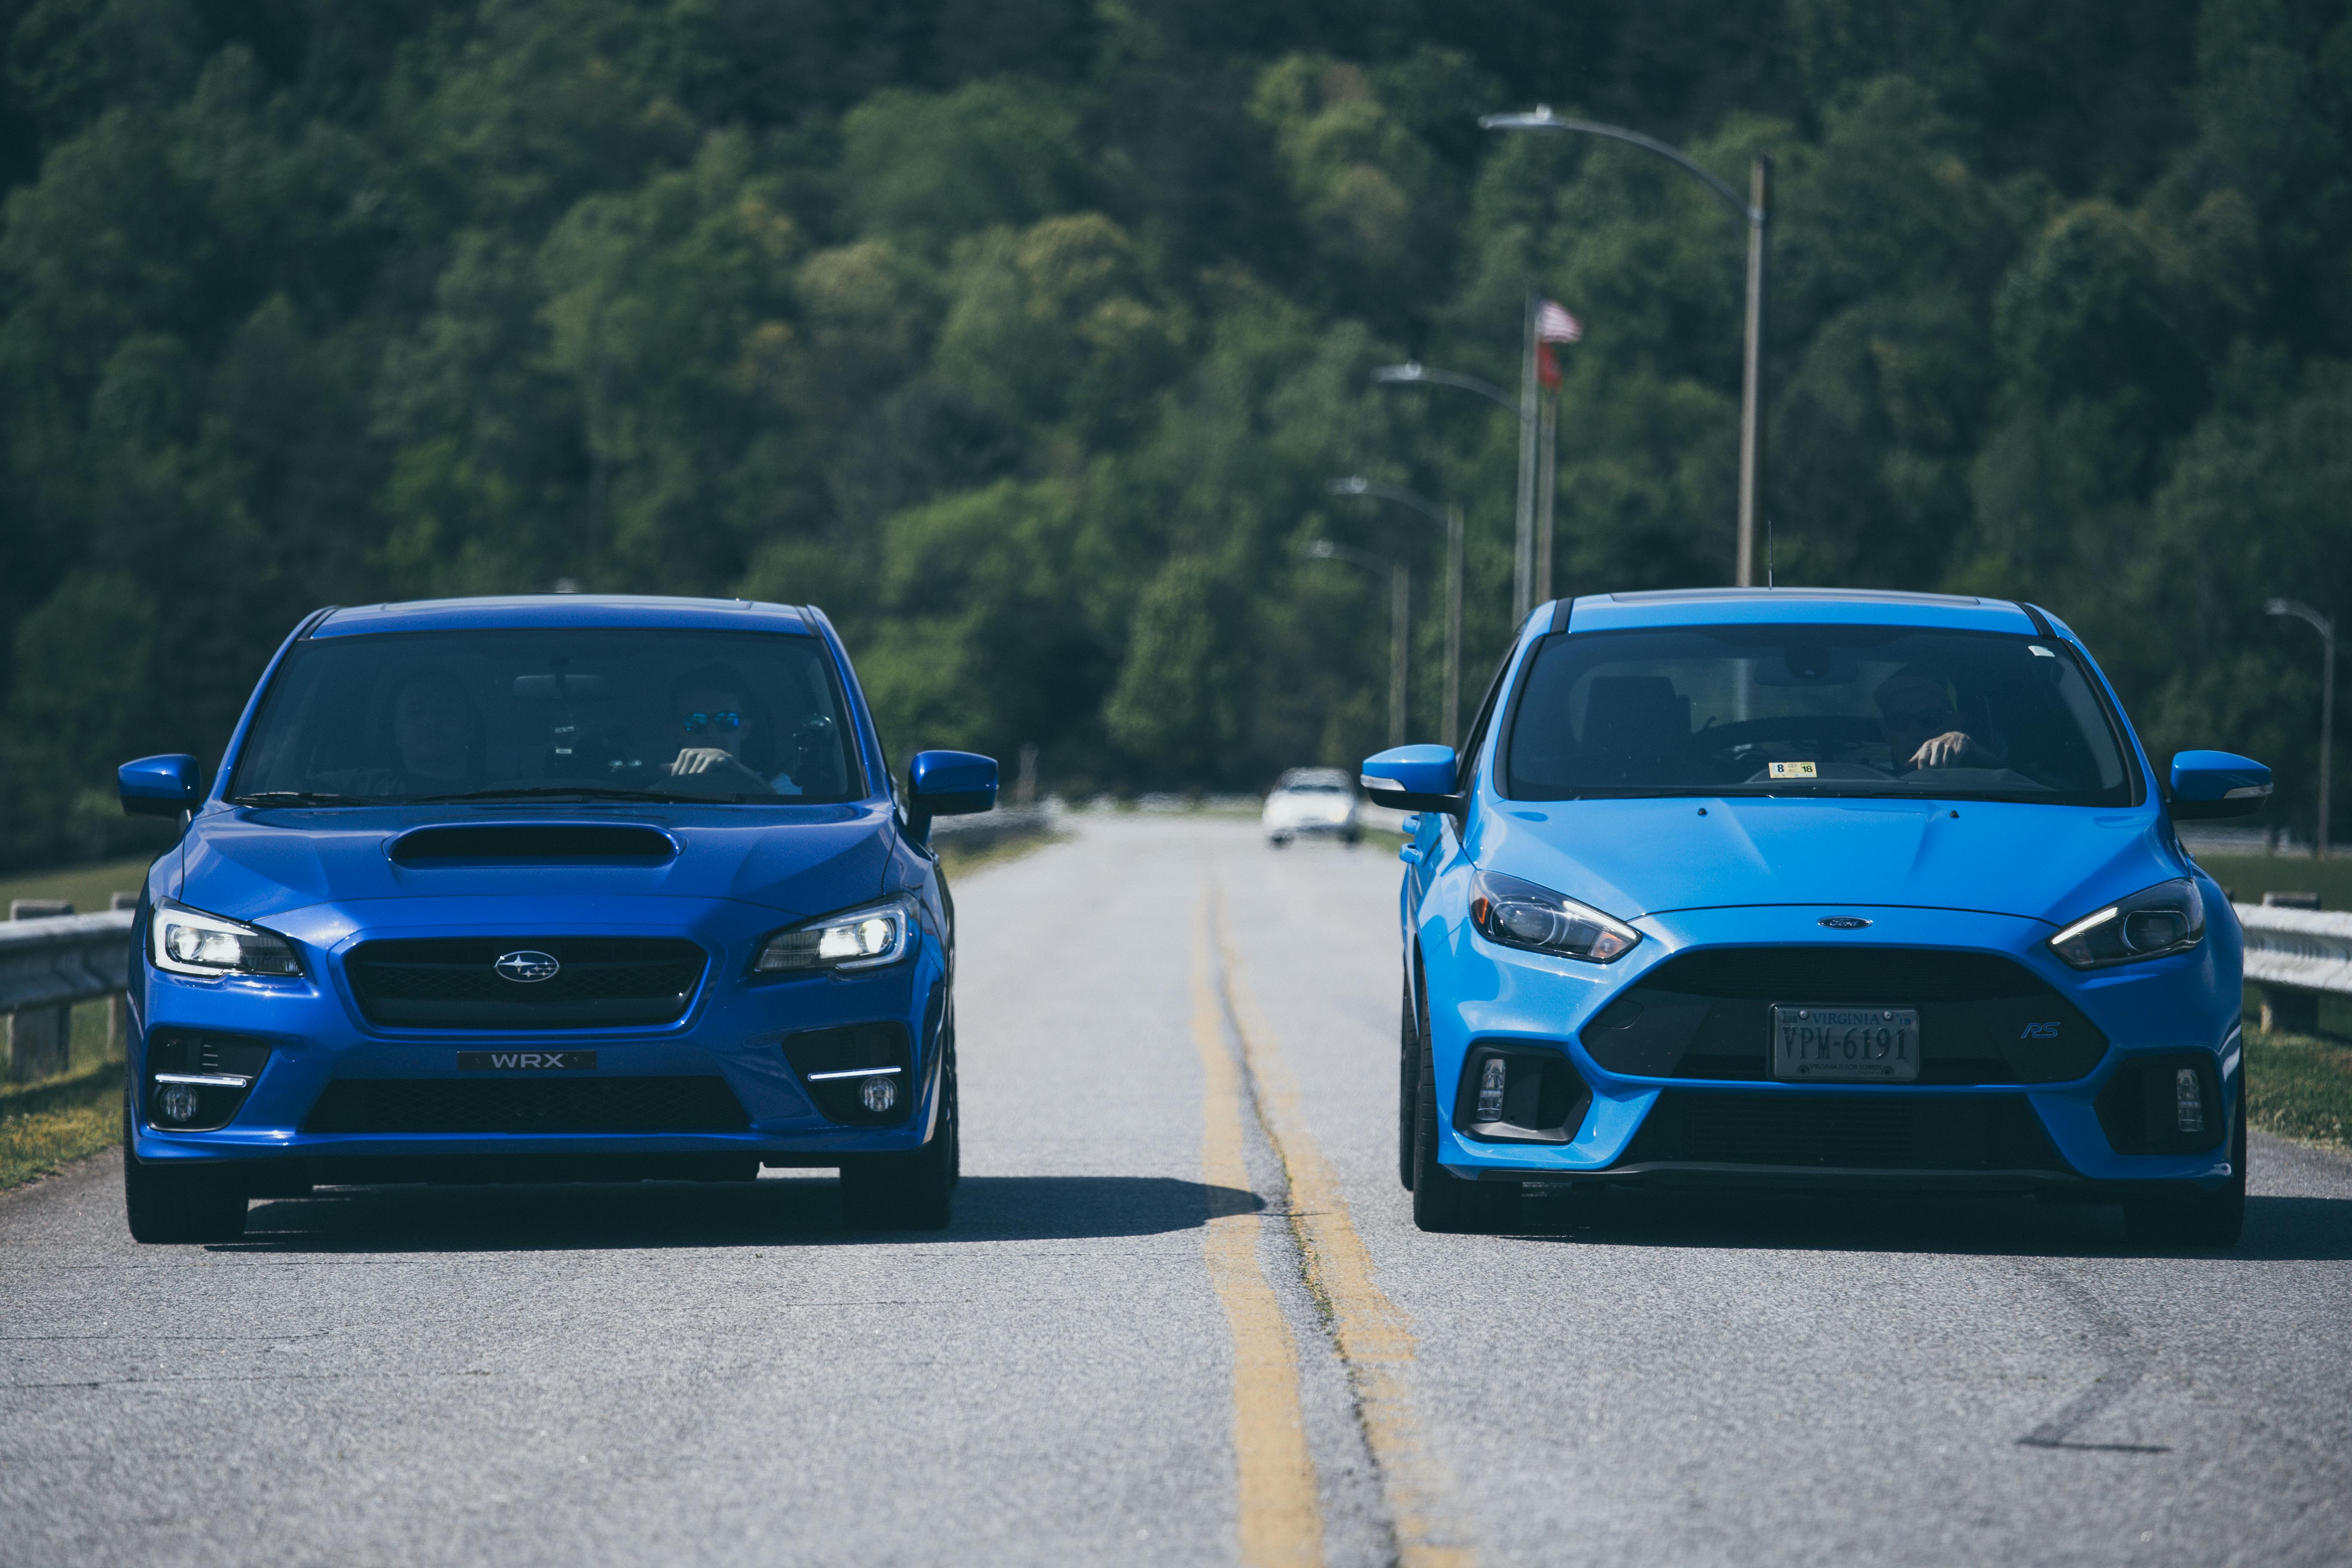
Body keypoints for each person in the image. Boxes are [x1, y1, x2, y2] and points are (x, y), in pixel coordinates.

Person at [664, 665, 797, 796]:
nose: (712, 733)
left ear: (745, 729)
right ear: (676, 732)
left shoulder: (780, 786)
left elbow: (789, 815)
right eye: (696, 721)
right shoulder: (655, 791)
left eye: (726, 720)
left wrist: (735, 769)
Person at [1874, 665, 1997, 772]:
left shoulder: (1984, 786)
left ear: (1955, 724)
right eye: (1899, 721)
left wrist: (1971, 749)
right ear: (1886, 732)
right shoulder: (1865, 781)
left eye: (1929, 719)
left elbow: (2014, 780)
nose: (1915, 732)